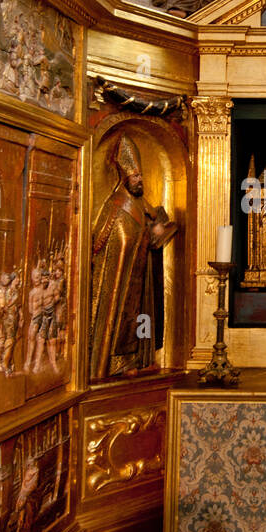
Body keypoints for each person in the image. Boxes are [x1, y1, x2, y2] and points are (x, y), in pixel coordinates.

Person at [89, 135, 179, 380]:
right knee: (121, 322)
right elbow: (111, 243)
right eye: (136, 177)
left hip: (141, 278)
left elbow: (152, 223)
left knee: (142, 318)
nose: (140, 181)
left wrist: (158, 228)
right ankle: (115, 362)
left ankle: (138, 358)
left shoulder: (140, 202)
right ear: (124, 178)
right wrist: (148, 235)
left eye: (141, 176)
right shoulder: (117, 206)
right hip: (123, 282)